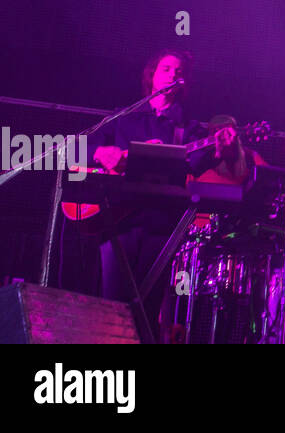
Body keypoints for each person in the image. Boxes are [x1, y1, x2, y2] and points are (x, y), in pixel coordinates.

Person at [93, 51, 254, 341]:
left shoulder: (188, 130)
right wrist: (102, 153)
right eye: (165, 68)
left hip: (160, 228)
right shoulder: (123, 118)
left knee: (146, 309)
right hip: (117, 223)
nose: (171, 74)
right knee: (109, 307)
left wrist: (220, 149)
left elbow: (197, 162)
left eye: (178, 71)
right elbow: (87, 145)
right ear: (152, 76)